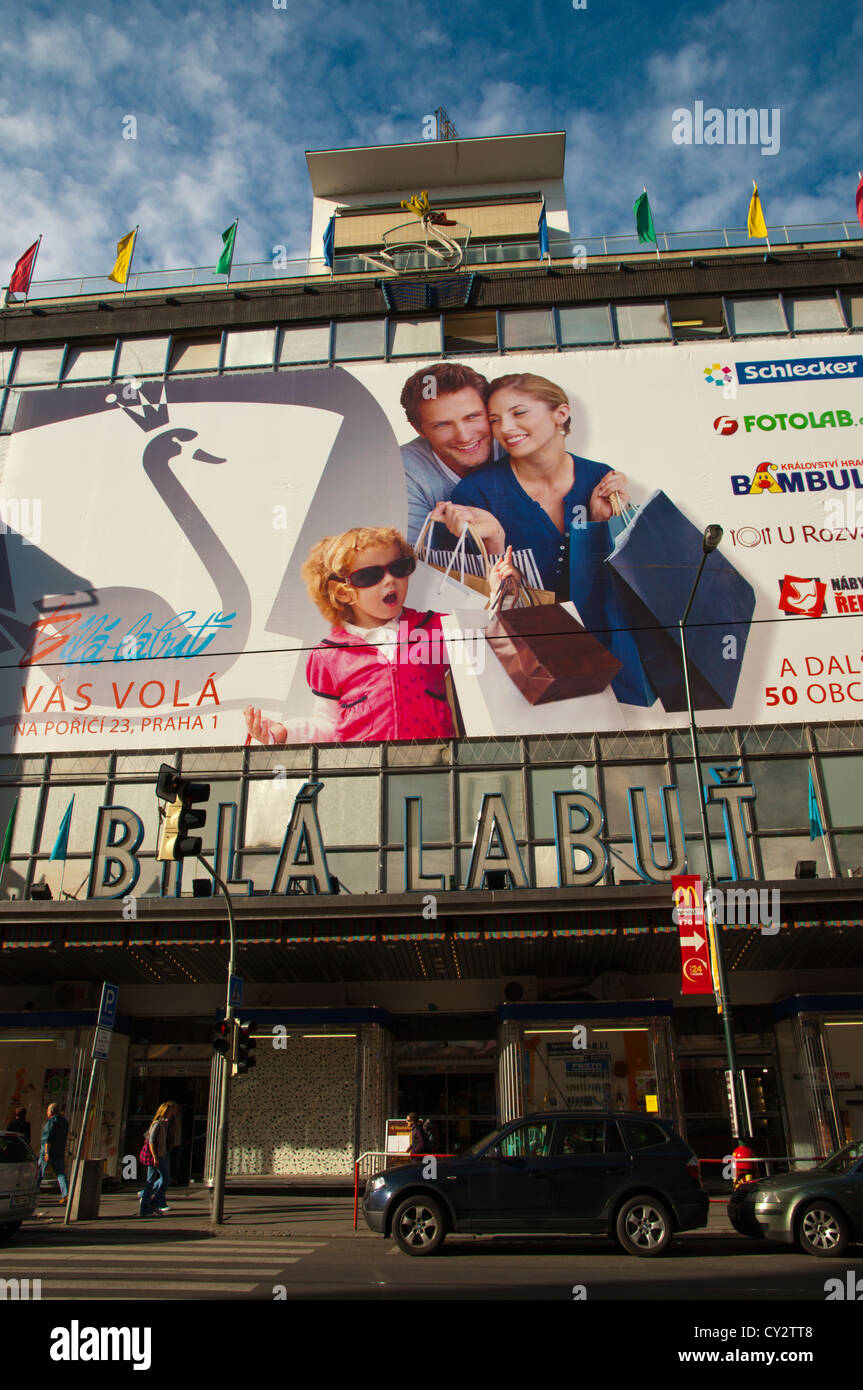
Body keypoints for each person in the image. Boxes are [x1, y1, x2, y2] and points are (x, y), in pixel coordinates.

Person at [244, 526, 518, 746]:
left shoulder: (433, 628)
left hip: (434, 763)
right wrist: (284, 732)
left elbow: (490, 644)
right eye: (370, 575)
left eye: (399, 568)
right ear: (342, 593)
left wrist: (501, 593)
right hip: (366, 772)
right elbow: (329, 725)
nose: (389, 580)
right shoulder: (329, 654)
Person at [434, 372, 629, 600]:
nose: (505, 428)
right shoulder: (475, 493)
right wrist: (493, 544)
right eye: (495, 420)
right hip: (517, 623)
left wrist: (601, 523)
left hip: (597, 621)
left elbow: (621, 583)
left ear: (561, 414)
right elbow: (459, 593)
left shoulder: (599, 478)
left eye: (519, 413)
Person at [399, 363, 503, 545]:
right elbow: (413, 556)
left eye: (472, 417)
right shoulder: (403, 469)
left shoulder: (514, 445)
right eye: (442, 424)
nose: (464, 437)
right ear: (418, 429)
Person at [139, 1101, 175, 1217]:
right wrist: (155, 1156)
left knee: (164, 1179)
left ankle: (151, 1203)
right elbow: (151, 1141)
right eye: (170, 1112)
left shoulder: (165, 1124)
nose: (171, 1114)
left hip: (161, 1154)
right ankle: (146, 1207)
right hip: (155, 1155)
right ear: (164, 1112)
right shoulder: (158, 1124)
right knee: (152, 1180)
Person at [37, 1102, 69, 1202]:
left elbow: (47, 1139)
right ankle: (66, 1194)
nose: (47, 1112)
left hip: (48, 1151)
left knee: (39, 1173)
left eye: (47, 1110)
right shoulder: (64, 1121)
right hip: (59, 1151)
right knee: (60, 1173)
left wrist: (46, 1152)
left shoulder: (51, 1122)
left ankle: (34, 1192)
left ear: (51, 1111)